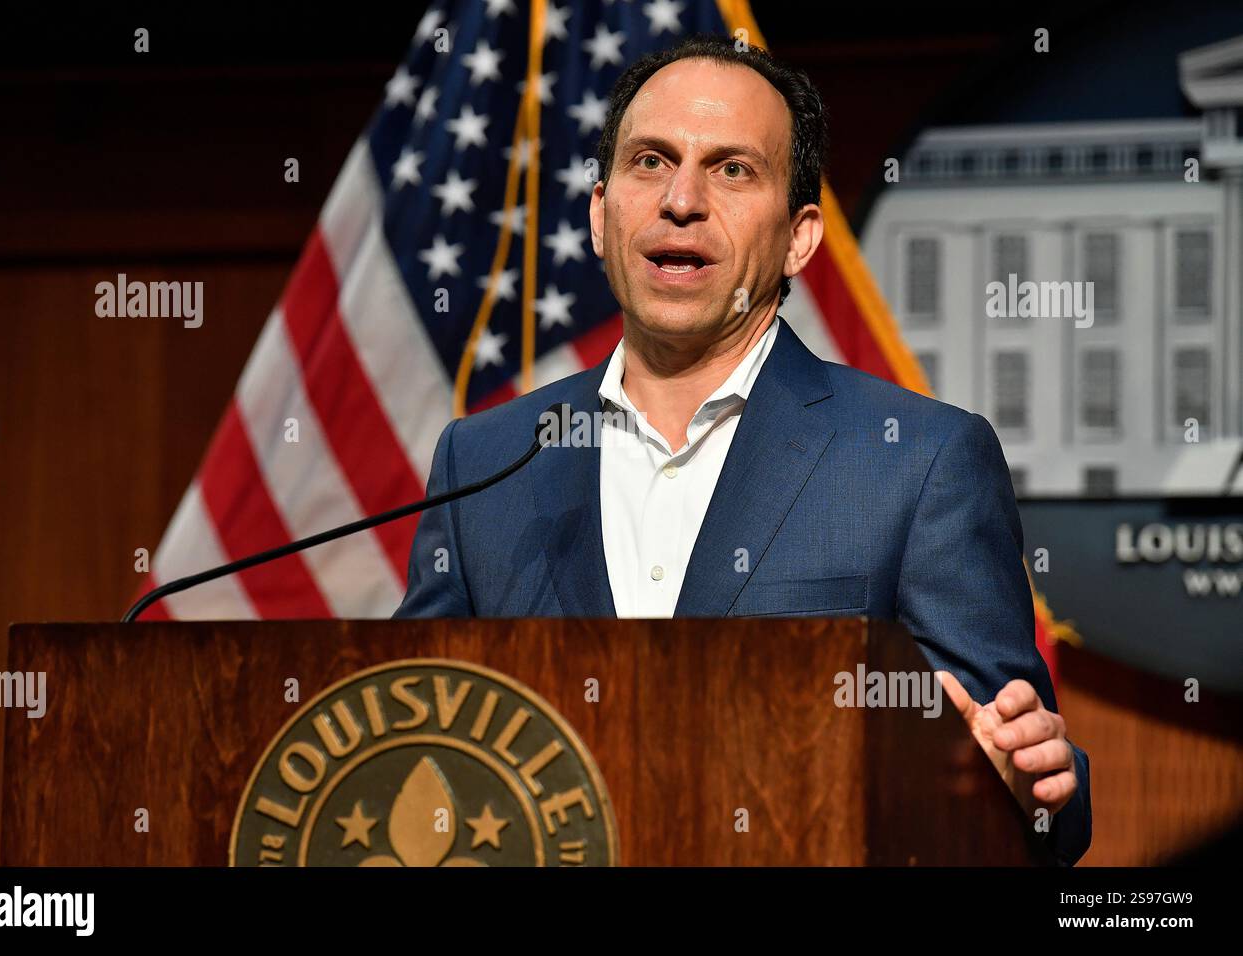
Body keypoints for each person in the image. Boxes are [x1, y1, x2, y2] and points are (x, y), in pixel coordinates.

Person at [395, 34, 1091, 865]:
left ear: (800, 238)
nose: (681, 200)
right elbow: (409, 732)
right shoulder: (483, 461)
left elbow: (1032, 774)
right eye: (650, 161)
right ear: (600, 213)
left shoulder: (920, 461)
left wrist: (1019, 791)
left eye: (732, 170)